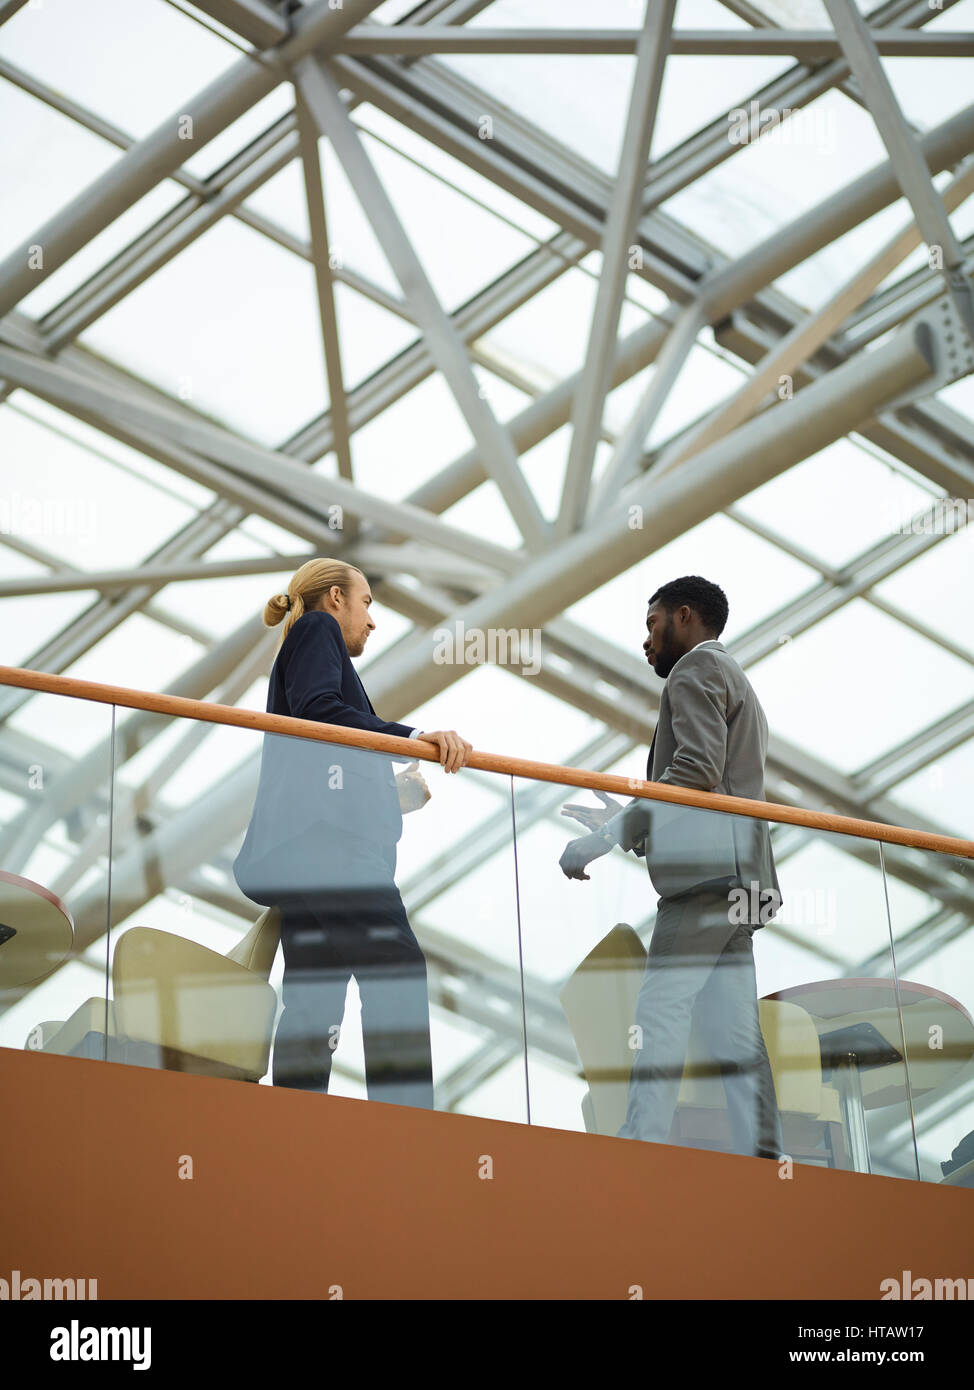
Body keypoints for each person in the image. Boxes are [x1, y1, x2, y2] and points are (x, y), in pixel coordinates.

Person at [558, 575, 783, 1159]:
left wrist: (614, 832)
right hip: (740, 881)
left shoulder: (695, 672)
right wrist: (634, 816)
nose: (647, 640)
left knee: (660, 1010)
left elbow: (697, 769)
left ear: (684, 616)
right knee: (736, 1035)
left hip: (705, 880)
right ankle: (764, 1159)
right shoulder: (736, 679)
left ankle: (640, 1147)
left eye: (652, 623)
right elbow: (712, 776)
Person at [233, 558, 472, 1108]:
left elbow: (323, 745)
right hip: (330, 850)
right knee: (396, 965)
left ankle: (297, 1119)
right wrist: (415, 737)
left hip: (305, 852)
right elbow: (322, 711)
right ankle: (406, 1118)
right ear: (335, 597)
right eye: (367, 603)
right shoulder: (317, 628)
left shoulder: (307, 644)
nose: (372, 620)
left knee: (315, 1000)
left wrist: (391, 796)